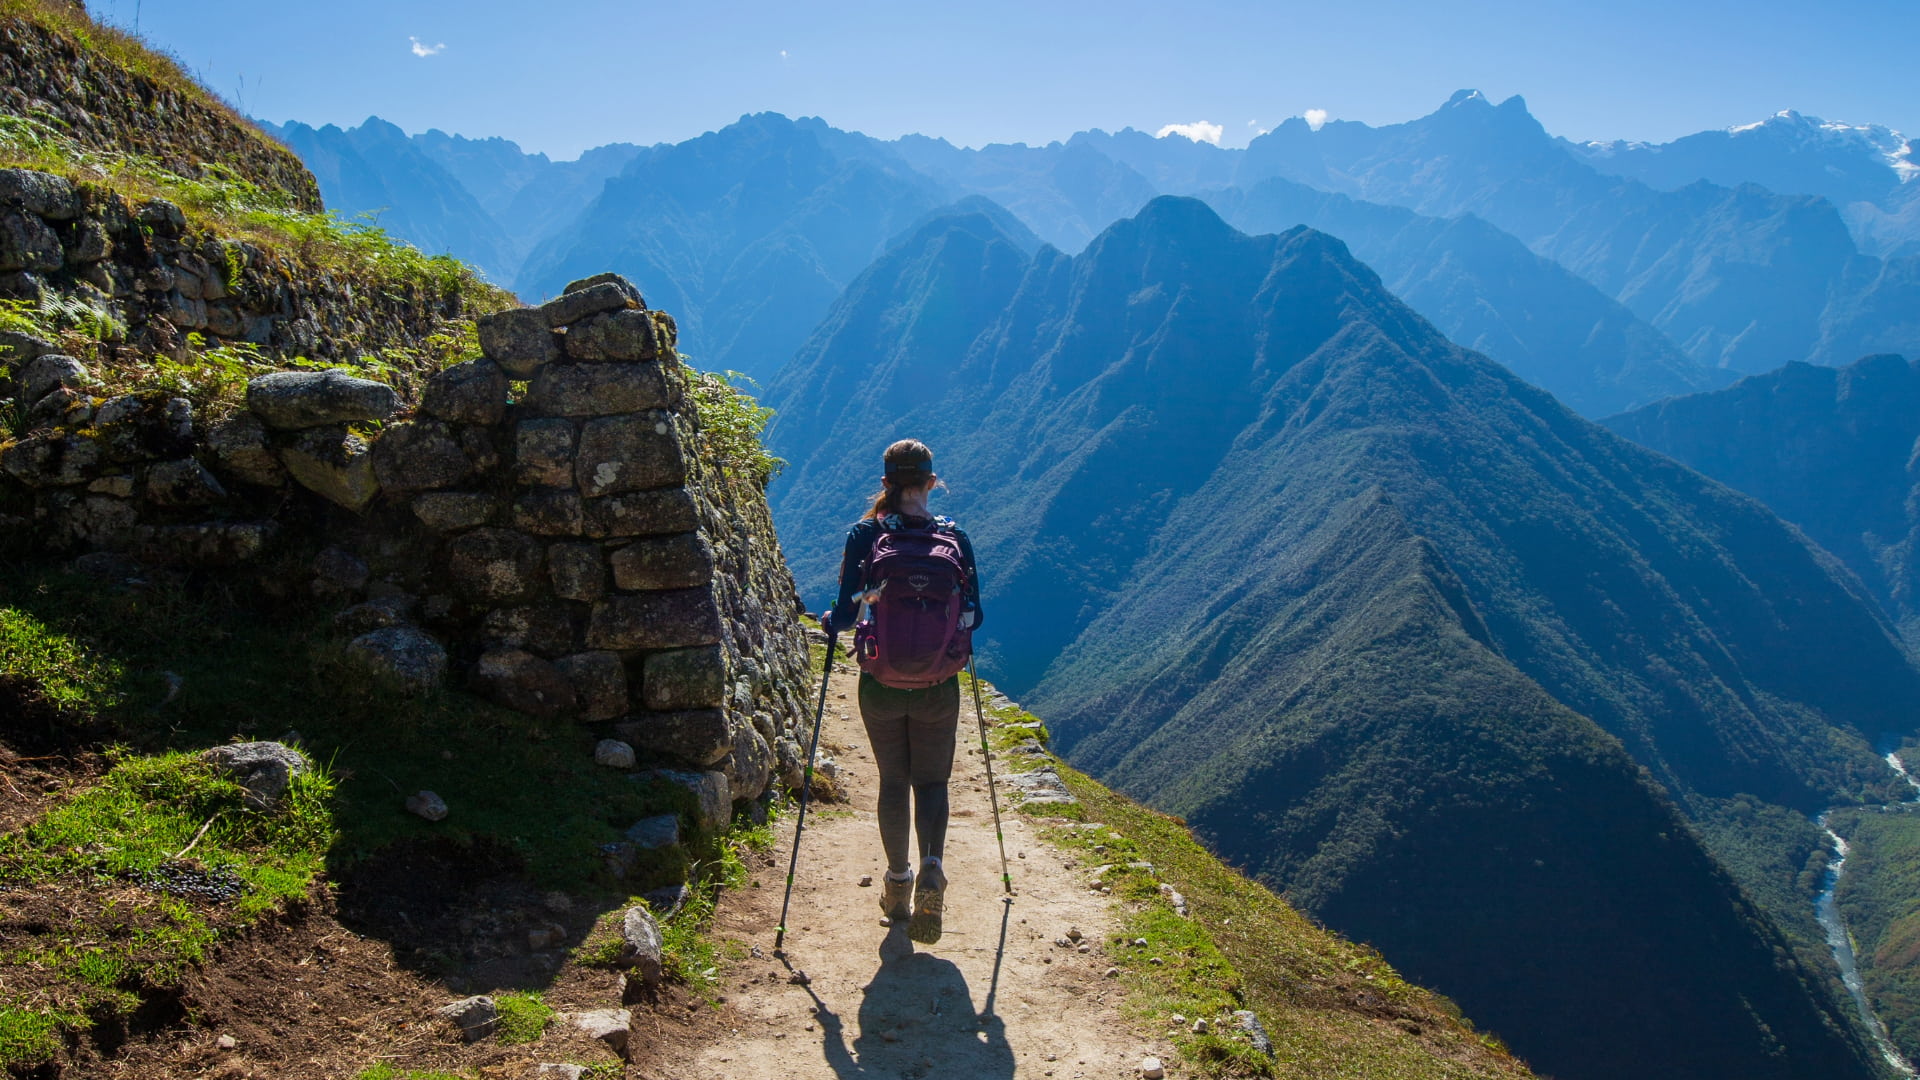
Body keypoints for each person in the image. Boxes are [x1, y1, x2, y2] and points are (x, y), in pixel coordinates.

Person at [821, 439, 983, 945]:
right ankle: (933, 865)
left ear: (885, 483)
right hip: (938, 685)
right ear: (933, 483)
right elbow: (975, 614)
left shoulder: (866, 535)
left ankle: (897, 882)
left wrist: (832, 620)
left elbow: (846, 617)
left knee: (894, 782)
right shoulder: (954, 538)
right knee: (933, 783)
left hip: (882, 684)